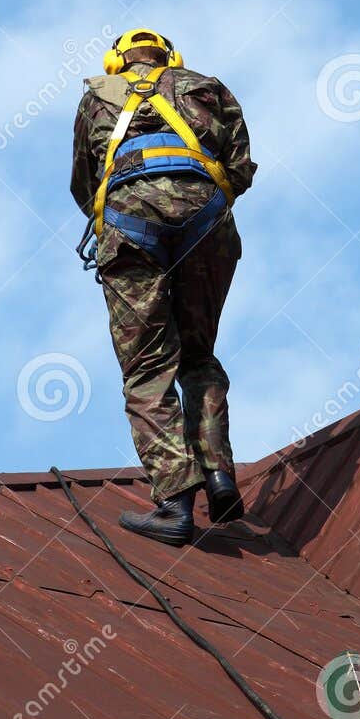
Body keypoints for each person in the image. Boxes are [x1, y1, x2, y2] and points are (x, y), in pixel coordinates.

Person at [71, 28, 256, 544]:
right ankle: (219, 476)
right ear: (171, 58)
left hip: (132, 229)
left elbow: (86, 188)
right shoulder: (207, 86)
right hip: (208, 222)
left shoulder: (95, 98)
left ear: (116, 62)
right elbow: (239, 169)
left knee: (149, 367)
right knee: (198, 355)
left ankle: (175, 503)